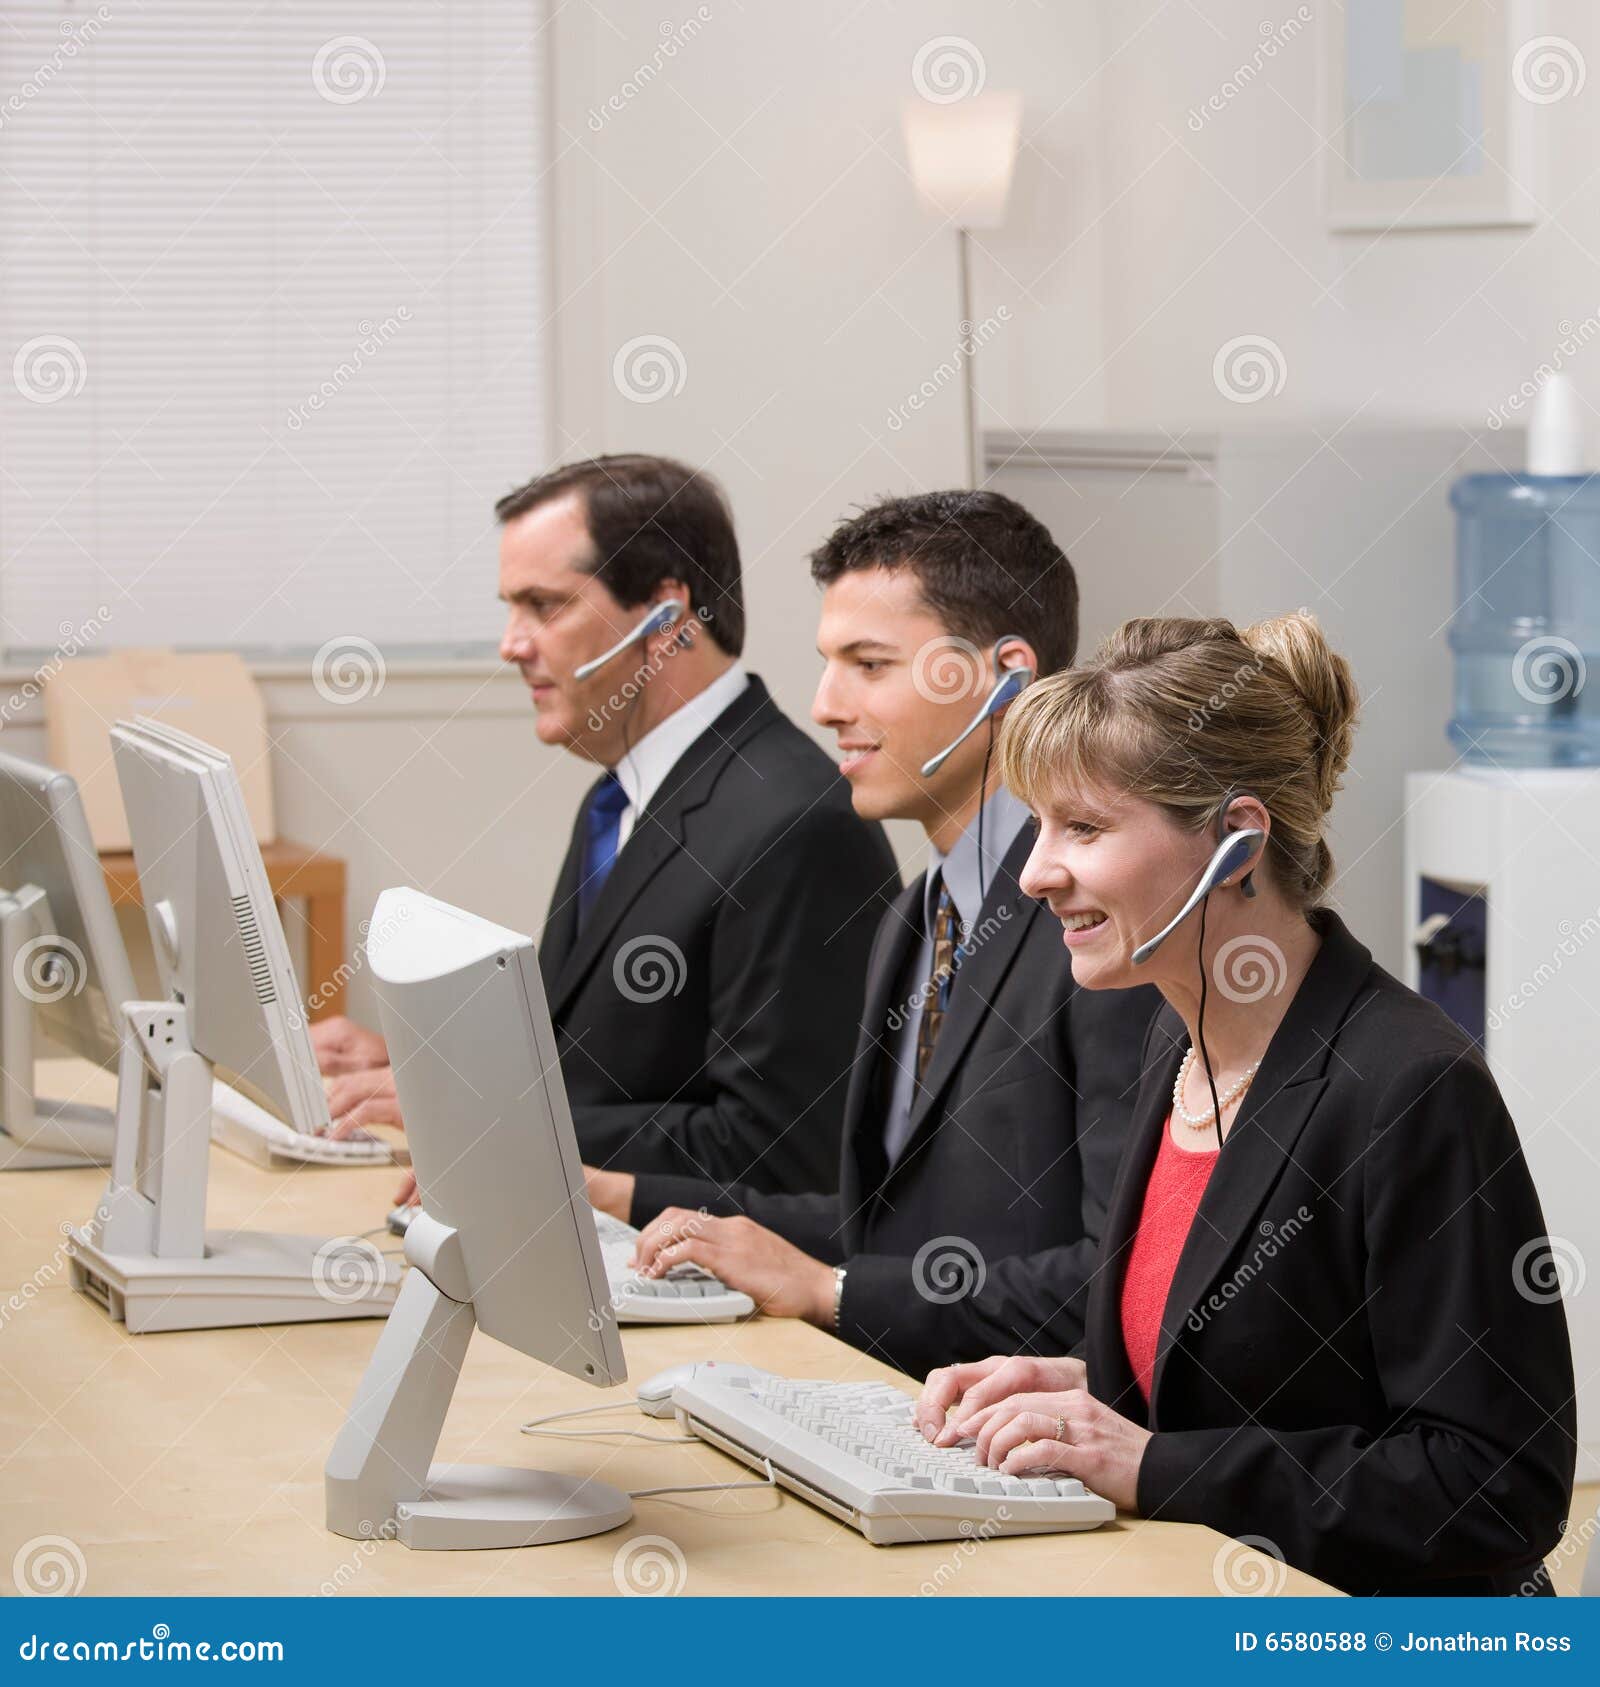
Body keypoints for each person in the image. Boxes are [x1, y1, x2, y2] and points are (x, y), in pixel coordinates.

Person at [912, 612, 1575, 1596]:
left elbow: (1489, 1489)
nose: (1036, 871)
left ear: (1233, 842)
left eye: (1082, 827)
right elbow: (1265, 1367)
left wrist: (1147, 1462)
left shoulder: (1405, 1086)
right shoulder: (1176, 1036)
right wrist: (1086, 1385)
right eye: (1040, 825)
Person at [592, 490, 1162, 1377]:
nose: (825, 705)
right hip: (909, 1405)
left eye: (868, 664)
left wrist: (835, 1294)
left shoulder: (1094, 928)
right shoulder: (915, 915)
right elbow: (892, 1227)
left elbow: (1114, 1283)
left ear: (1004, 674)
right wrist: (625, 1196)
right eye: (829, 663)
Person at [316, 454, 897, 1200]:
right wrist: (435, 1074)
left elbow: (775, 1151)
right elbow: (601, 1072)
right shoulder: (618, 796)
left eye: (543, 605)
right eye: (510, 607)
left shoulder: (796, 826)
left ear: (665, 619)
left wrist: (495, 1117)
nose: (512, 643)